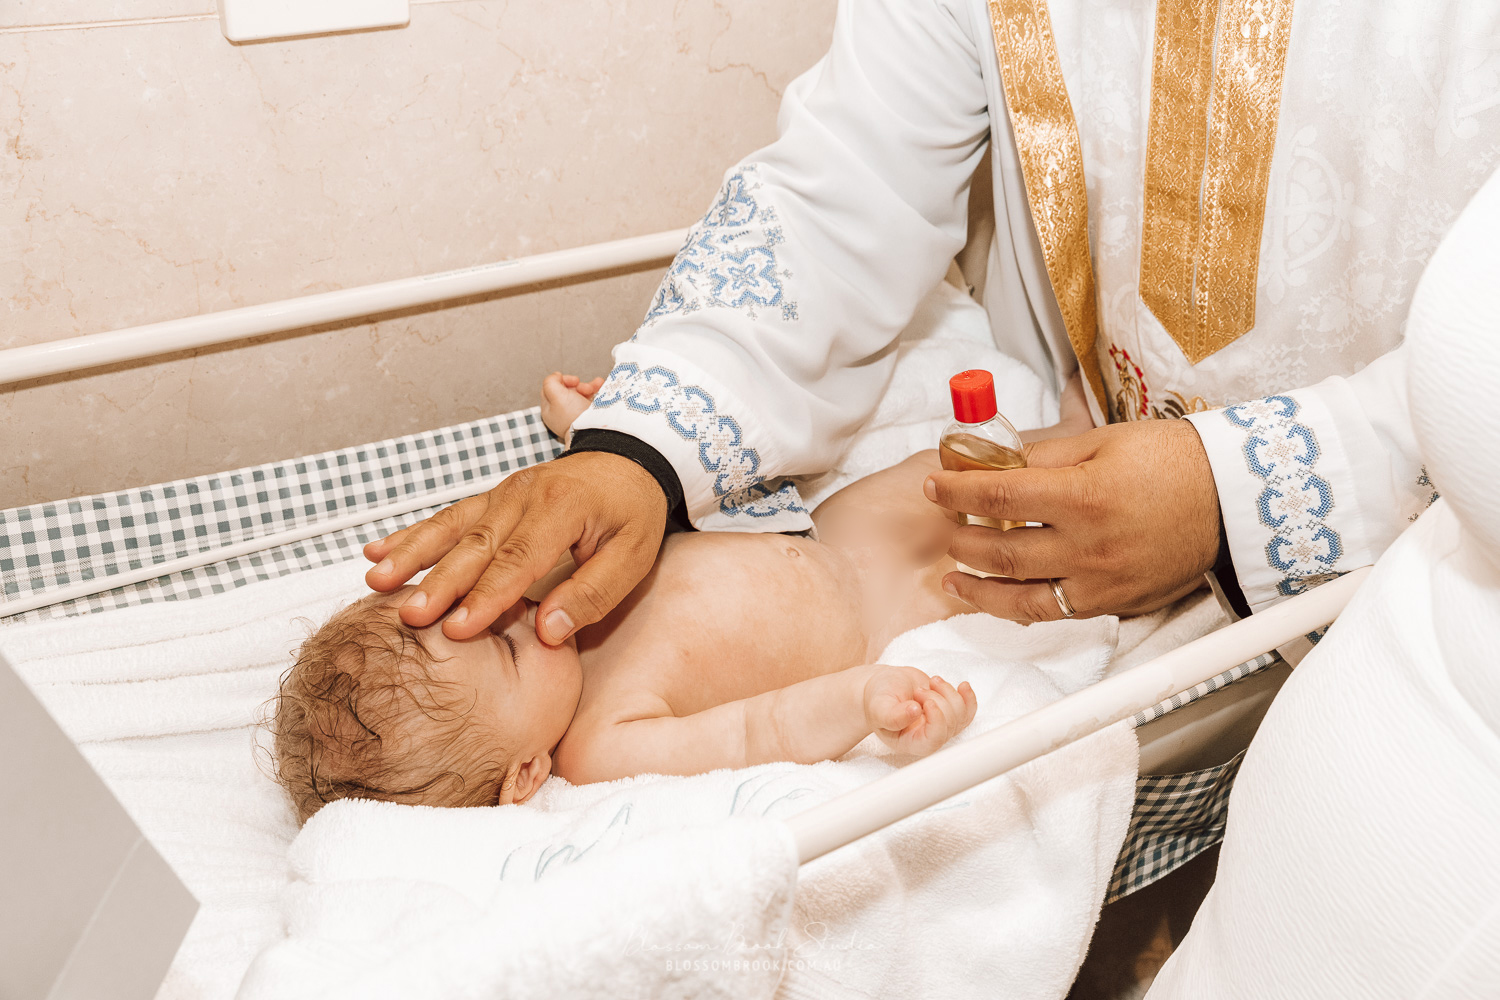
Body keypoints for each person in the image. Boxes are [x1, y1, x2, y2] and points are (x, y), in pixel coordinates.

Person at [362, 0, 1498, 664]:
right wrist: (641, 445)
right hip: (1077, 462)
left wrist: (1230, 491)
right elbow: (845, 186)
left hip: (1436, 571)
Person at [270, 369, 1109, 819]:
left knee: (951, 470)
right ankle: (1121, 480)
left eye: (469, 605)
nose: (519, 612)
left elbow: (617, 509)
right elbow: (757, 731)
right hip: (885, 616)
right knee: (1029, 545)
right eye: (506, 645)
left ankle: (1085, 428)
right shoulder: (601, 747)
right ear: (524, 773)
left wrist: (595, 440)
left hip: (831, 532)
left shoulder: (544, 594)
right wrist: (863, 699)